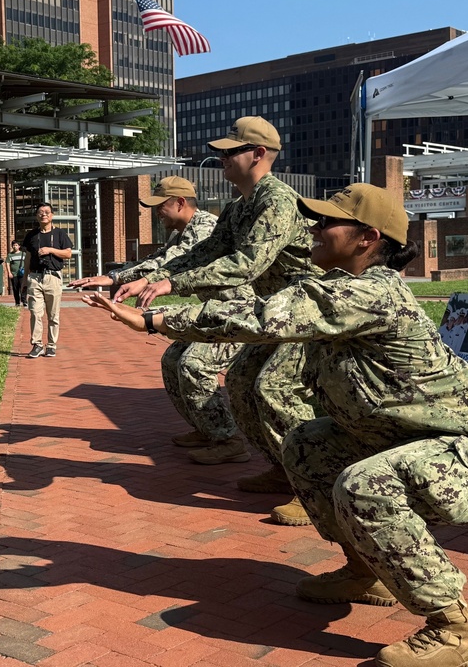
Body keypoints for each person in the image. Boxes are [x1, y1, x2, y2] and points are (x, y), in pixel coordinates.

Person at [86, 183, 468, 667]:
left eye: (328, 222)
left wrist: (154, 321)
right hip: (412, 434)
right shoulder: (334, 287)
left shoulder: (373, 292)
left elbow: (263, 316)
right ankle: (366, 570)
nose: (314, 229)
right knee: (307, 445)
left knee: (368, 486)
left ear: (368, 238)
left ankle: (458, 629)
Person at [114, 117, 321, 524]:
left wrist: (174, 283)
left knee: (275, 389)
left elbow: (245, 265)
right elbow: (207, 251)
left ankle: (312, 486)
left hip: (305, 313)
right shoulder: (240, 206)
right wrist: (153, 280)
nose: (221, 159)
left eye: (230, 152)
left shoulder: (276, 201)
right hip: (271, 313)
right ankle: (282, 470)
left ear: (258, 154)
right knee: (243, 382)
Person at [71, 177, 245, 458]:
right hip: (210, 312)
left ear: (180, 202)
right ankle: (207, 428)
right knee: (172, 359)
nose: (156, 212)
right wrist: (114, 277)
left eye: (160, 205)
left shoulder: (204, 228)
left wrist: (126, 280)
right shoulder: (182, 231)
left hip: (237, 314)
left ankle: (229, 442)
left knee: (194, 363)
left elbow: (171, 261)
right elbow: (159, 257)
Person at [21, 202, 73, 358]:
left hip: (53, 277)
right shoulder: (31, 235)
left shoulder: (60, 234)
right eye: (40, 212)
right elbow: (28, 258)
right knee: (35, 312)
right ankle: (37, 345)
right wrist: (25, 279)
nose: (43, 214)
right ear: (37, 216)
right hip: (35, 277)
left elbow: (68, 254)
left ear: (52, 215)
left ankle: (51, 345)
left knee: (53, 315)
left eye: (47, 212)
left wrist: (50, 250)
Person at [5, 240, 26, 306]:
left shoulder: (23, 254)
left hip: (22, 274)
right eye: (13, 245)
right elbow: (7, 263)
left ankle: (24, 300)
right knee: (15, 288)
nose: (14, 246)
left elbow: (27, 262)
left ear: (19, 246)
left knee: (23, 287)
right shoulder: (10, 255)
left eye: (16, 245)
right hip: (14, 274)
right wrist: (9, 273)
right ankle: (17, 302)